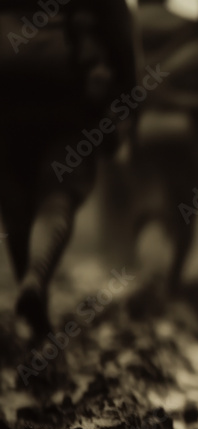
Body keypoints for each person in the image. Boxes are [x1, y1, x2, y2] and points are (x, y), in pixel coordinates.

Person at [0, 0, 136, 339]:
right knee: (56, 197)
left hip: (6, 102)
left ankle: (34, 300)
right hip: (70, 105)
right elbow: (124, 48)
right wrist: (125, 110)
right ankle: (36, 277)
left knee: (15, 205)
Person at [114, 0, 198, 292]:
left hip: (142, 137)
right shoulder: (195, 31)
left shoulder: (123, 29)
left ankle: (153, 278)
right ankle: (170, 285)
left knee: (151, 210)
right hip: (188, 138)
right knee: (186, 214)